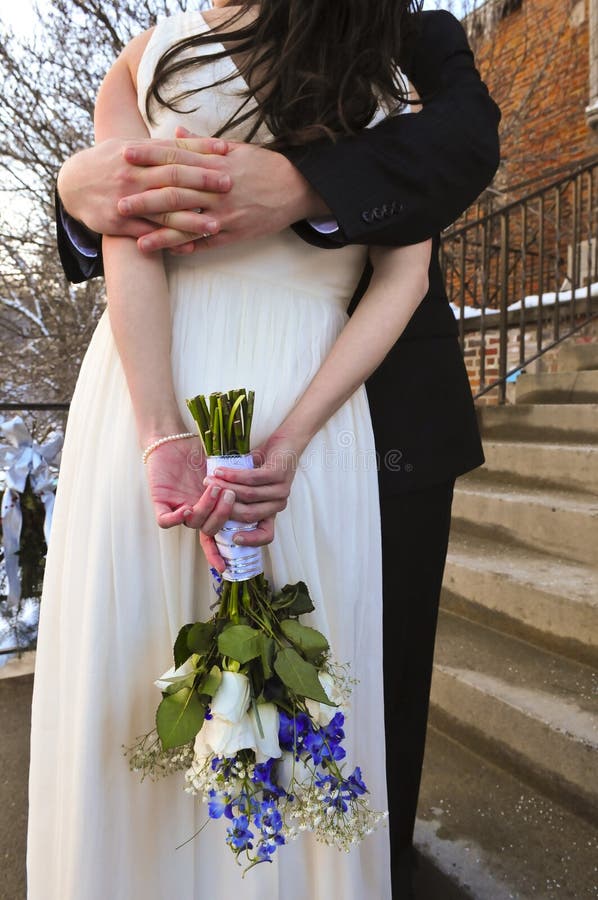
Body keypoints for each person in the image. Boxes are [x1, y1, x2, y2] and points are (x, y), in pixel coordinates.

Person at [50, 4, 501, 898]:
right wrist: (71, 183)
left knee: (277, 694)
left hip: (204, 396)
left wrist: (158, 432)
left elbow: (462, 147)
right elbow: (113, 211)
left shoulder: (386, 43)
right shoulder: (354, 65)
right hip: (294, 406)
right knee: (271, 700)